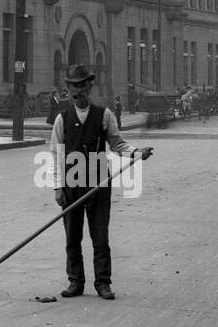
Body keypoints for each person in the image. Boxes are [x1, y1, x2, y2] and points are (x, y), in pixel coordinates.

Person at [49, 63, 153, 300]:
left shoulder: (104, 115)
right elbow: (55, 154)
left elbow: (117, 144)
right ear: (68, 89)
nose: (78, 92)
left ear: (89, 86)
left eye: (82, 86)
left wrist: (137, 153)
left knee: (100, 238)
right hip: (71, 186)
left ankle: (103, 283)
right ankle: (75, 282)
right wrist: (57, 187)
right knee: (72, 238)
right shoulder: (61, 119)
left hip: (98, 185)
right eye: (73, 87)